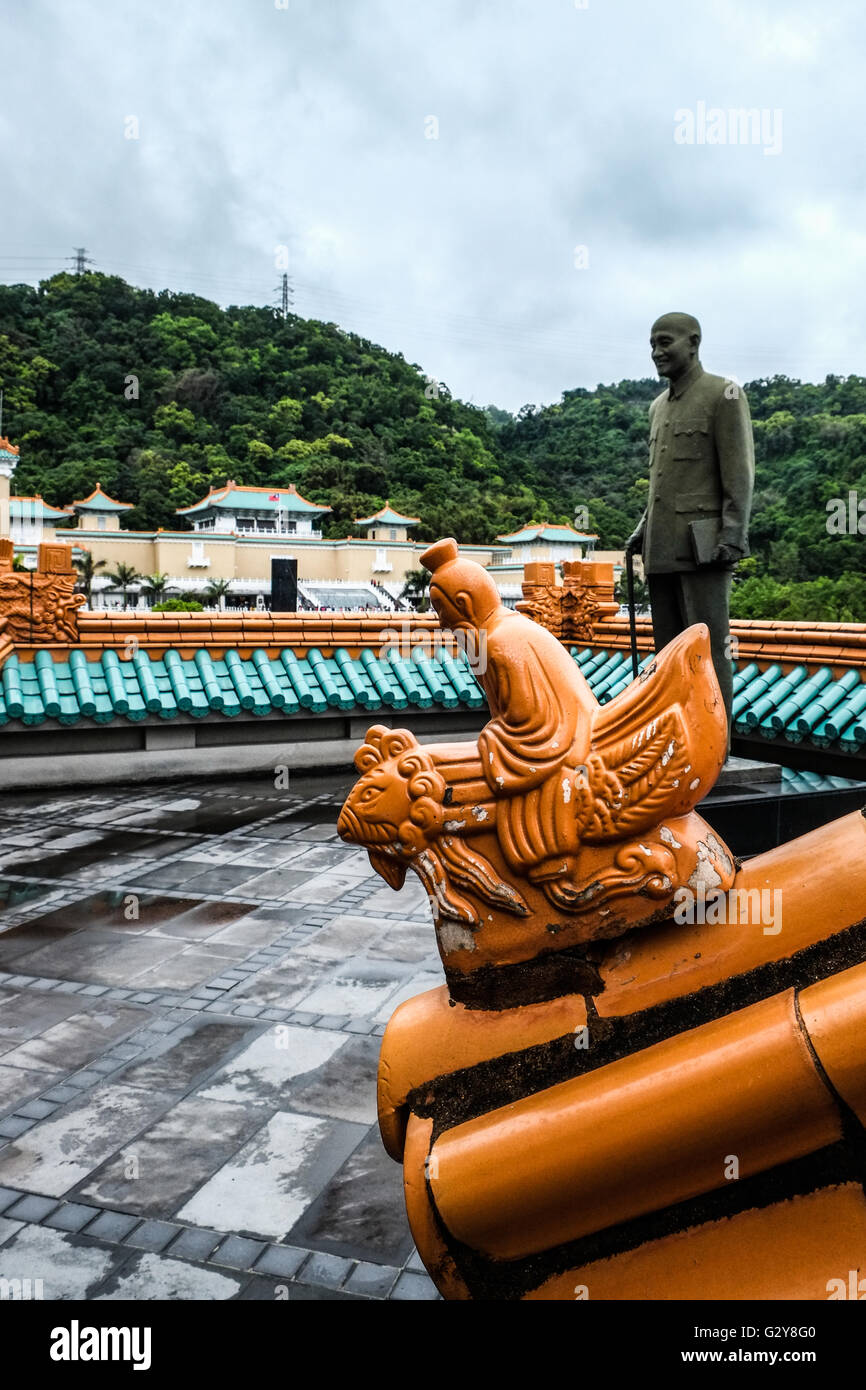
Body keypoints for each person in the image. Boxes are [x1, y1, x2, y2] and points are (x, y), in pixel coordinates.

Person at [625, 312, 754, 744]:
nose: (657, 353)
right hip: (661, 546)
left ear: (693, 343)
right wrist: (645, 527)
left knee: (708, 647)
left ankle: (716, 743)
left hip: (706, 546)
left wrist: (732, 535)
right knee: (668, 653)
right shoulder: (657, 407)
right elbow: (661, 481)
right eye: (652, 344)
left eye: (665, 343)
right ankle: (676, 740)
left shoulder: (724, 394)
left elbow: (738, 472)